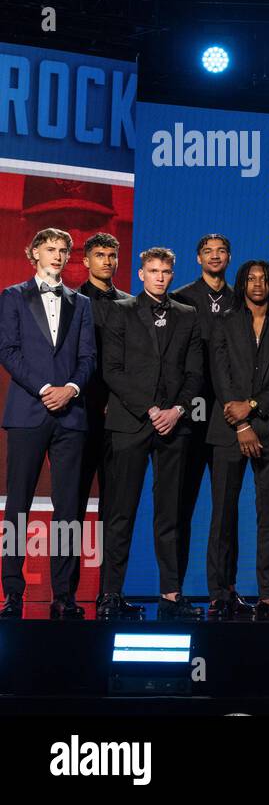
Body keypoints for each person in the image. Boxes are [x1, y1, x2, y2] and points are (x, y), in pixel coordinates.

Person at [97, 248, 204, 620]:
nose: (160, 277)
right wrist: (150, 408)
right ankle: (111, 594)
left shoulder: (188, 316)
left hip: (174, 427)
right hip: (130, 424)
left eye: (165, 271)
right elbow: (112, 370)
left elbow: (195, 373)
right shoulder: (120, 311)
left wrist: (176, 410)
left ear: (173, 274)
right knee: (120, 513)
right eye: (153, 271)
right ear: (141, 274)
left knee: (170, 514)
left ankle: (171, 595)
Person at [0, 229, 97, 620]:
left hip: (70, 416)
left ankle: (64, 594)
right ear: (34, 252)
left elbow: (88, 357)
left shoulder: (82, 304)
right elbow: (7, 350)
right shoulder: (12, 296)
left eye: (63, 251)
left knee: (69, 509)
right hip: (28, 411)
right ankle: (12, 593)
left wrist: (70, 389)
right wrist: (45, 389)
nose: (58, 256)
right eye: (51, 249)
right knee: (18, 506)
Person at [205, 261, 269, 621]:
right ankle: (221, 592)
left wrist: (255, 407)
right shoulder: (225, 323)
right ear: (242, 284)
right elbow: (221, 375)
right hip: (229, 429)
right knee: (223, 514)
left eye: (263, 279)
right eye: (251, 278)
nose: (257, 284)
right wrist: (241, 423)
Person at [170, 234, 238, 604]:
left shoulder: (239, 300)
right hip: (190, 415)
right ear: (198, 258)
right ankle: (173, 590)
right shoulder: (181, 298)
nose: (215, 256)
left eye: (221, 251)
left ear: (229, 257)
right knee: (181, 505)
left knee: (226, 507)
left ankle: (222, 590)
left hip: (227, 415)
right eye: (208, 251)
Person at [74, 232, 130, 601]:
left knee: (117, 510)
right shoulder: (72, 302)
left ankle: (111, 594)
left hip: (120, 419)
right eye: (99, 255)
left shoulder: (131, 303)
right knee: (72, 508)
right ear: (86, 261)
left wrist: (121, 400)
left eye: (112, 255)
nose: (107, 261)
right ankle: (65, 594)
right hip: (79, 417)